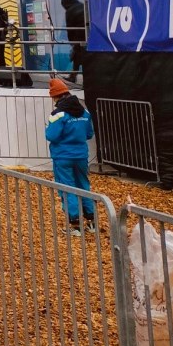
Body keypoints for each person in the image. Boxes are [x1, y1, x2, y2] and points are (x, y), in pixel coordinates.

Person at [44, 78, 96, 234]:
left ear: (55, 96)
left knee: (67, 188)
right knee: (84, 186)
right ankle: (91, 221)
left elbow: (51, 135)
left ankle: (75, 225)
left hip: (63, 156)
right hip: (81, 156)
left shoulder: (58, 114)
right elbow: (89, 133)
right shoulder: (84, 112)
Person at [60, 0, 86, 83]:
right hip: (88, 36)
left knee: (76, 57)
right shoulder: (82, 6)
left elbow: (69, 29)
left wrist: (72, 42)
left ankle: (73, 77)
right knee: (84, 58)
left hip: (78, 38)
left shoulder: (69, 11)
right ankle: (83, 78)